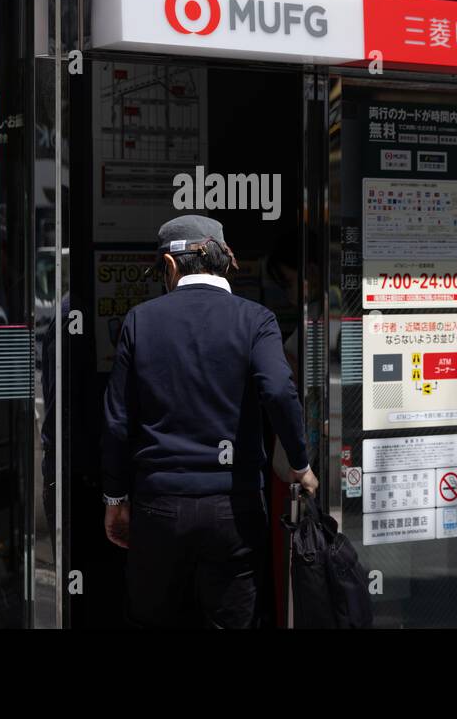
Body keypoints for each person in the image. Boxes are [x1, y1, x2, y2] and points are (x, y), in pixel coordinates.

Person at [101, 214, 318, 628]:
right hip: (233, 508)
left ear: (169, 266)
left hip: (158, 505)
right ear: (225, 260)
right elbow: (278, 390)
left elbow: (116, 421)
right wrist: (300, 463)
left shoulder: (139, 321)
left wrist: (115, 499)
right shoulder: (257, 320)